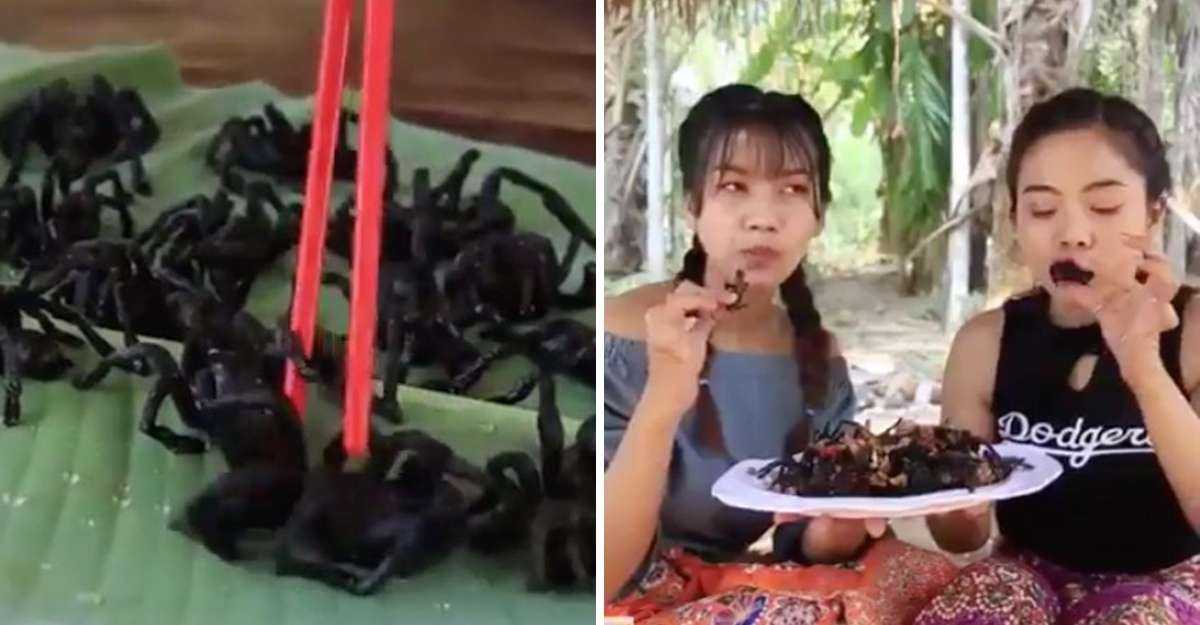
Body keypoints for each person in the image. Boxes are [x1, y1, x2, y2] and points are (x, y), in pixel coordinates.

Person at [603, 85, 957, 624]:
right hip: (636, 596)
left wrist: (844, 519)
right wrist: (664, 396)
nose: (764, 217)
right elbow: (599, 570)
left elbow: (801, 542)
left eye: (792, 189)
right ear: (691, 204)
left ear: (819, 214)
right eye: (733, 186)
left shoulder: (818, 360)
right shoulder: (624, 334)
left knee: (932, 578)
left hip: (740, 583)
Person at [914, 88, 1200, 625]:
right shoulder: (985, 344)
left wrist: (1142, 366)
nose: (1072, 235)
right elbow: (961, 537)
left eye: (1106, 207)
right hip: (1027, 574)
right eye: (1043, 209)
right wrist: (956, 500)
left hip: (1170, 581)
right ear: (1016, 219)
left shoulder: (1192, 332)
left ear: (1154, 212)